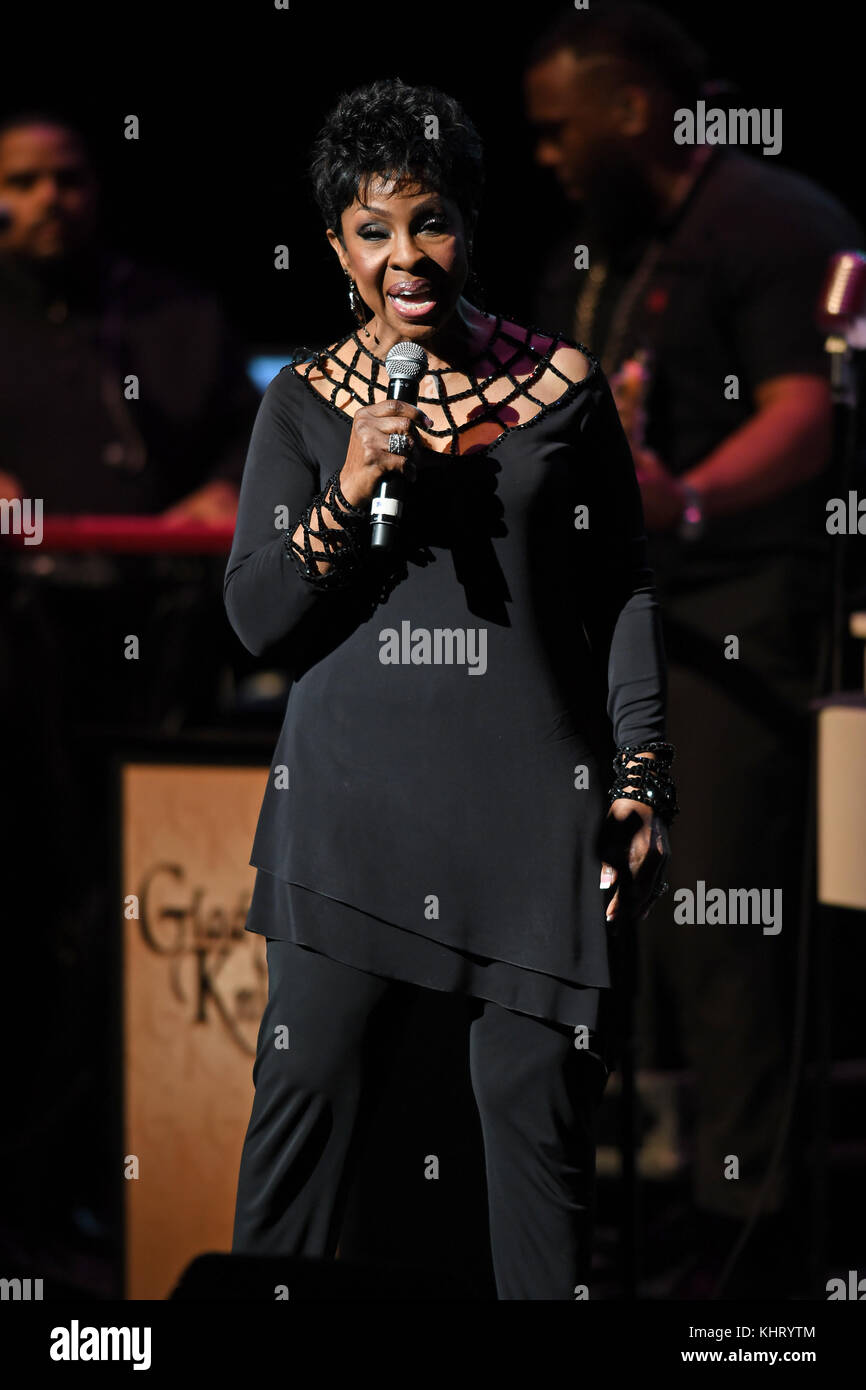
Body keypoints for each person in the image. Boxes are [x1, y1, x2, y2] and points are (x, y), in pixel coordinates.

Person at [225, 75, 677, 1300]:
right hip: (350, 808)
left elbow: (623, 588)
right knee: (305, 1096)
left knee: (531, 1118)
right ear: (336, 248)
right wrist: (347, 488)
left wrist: (640, 778)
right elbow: (254, 614)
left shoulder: (560, 386)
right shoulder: (306, 403)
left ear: (467, 227)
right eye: (372, 231)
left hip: (532, 810)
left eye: (427, 220)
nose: (405, 255)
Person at [523, 1, 864, 1293]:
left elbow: (804, 416)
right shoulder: (597, 254)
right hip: (610, 627)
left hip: (731, 624)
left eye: (559, 129)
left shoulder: (774, 223)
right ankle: (643, 1199)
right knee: (615, 929)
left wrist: (694, 497)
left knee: (720, 928)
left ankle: (747, 1229)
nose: (545, 154)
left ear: (628, 111)